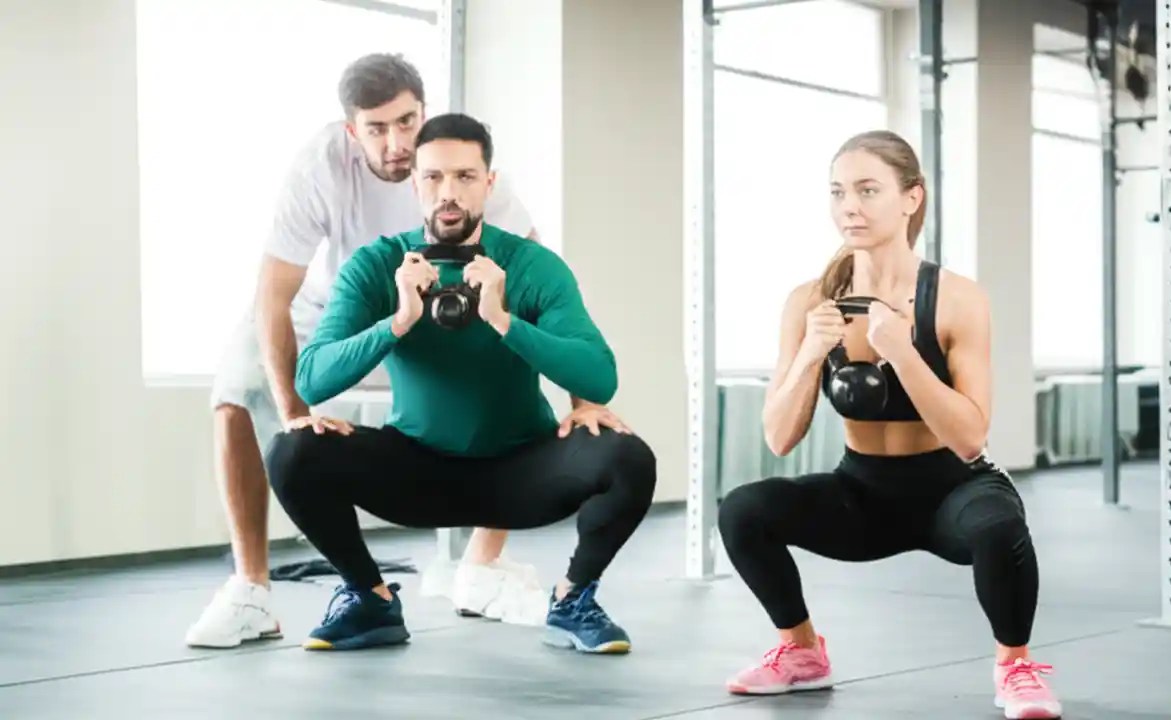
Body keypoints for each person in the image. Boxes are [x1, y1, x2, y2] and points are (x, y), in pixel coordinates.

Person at [186, 53, 629, 649]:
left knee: (499, 381)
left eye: (407, 122)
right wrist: (296, 412)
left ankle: (482, 565)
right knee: (238, 388)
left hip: (451, 297)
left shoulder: (463, 168)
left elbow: (542, 294)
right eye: (377, 128)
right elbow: (274, 290)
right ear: (352, 131)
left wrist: (584, 403)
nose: (397, 142)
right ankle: (252, 589)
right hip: (340, 299)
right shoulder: (321, 167)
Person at [716, 130, 1062, 720]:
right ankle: (802, 653)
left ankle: (1015, 667)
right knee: (743, 509)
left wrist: (901, 352)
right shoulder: (809, 301)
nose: (849, 205)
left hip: (952, 487)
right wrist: (809, 354)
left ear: (911, 198)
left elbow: (971, 436)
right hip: (863, 494)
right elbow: (778, 438)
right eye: (838, 192)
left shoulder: (956, 299)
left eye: (868, 190)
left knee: (1000, 528)